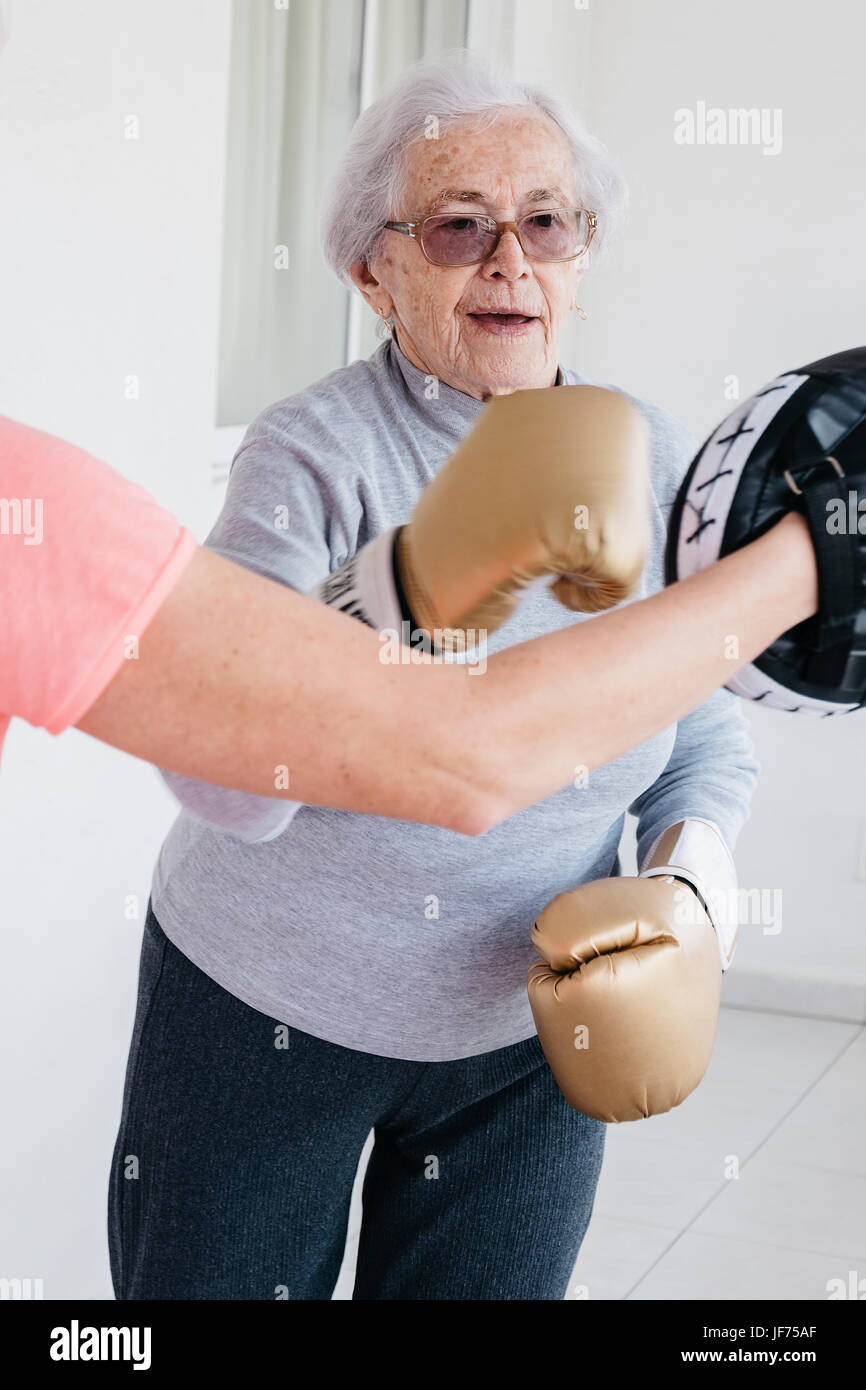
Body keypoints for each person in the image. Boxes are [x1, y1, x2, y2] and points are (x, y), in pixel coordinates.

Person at [107, 51, 818, 1301]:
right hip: (267, 1013)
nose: (510, 258)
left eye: (545, 221)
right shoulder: (309, 455)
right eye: (456, 227)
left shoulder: (648, 450)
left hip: (526, 1033)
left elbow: (696, 709)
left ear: (581, 253)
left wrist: (690, 876)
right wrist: (405, 589)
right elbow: (228, 781)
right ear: (370, 272)